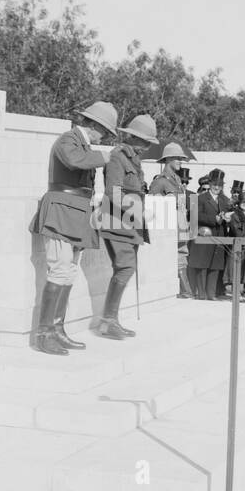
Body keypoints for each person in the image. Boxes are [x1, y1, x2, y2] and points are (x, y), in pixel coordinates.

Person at [30, 101, 117, 355]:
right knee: (59, 268)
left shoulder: (83, 144)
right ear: (92, 125)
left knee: (68, 271)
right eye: (103, 131)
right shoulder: (68, 140)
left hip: (75, 212)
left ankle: (57, 330)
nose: (103, 136)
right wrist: (107, 157)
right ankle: (45, 333)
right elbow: (74, 160)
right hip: (61, 209)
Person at [97, 113, 156, 339]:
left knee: (126, 268)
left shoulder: (134, 160)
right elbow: (114, 191)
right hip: (117, 222)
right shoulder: (117, 157)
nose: (147, 147)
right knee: (125, 267)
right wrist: (136, 209)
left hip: (130, 223)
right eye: (145, 142)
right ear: (134, 138)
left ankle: (111, 320)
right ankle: (108, 321)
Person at [148, 141, 192, 299]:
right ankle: (185, 291)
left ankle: (184, 290)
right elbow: (152, 206)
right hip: (168, 228)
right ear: (168, 160)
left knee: (182, 257)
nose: (181, 161)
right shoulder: (160, 181)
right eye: (177, 158)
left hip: (180, 225)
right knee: (173, 258)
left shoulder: (177, 181)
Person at [192, 169, 233, 300]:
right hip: (205, 234)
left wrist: (227, 220)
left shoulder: (225, 200)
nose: (217, 187)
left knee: (215, 265)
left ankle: (211, 294)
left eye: (220, 185)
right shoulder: (201, 198)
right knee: (202, 264)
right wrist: (213, 219)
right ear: (210, 184)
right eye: (215, 184)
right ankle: (201, 294)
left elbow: (228, 217)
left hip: (218, 235)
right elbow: (196, 215)